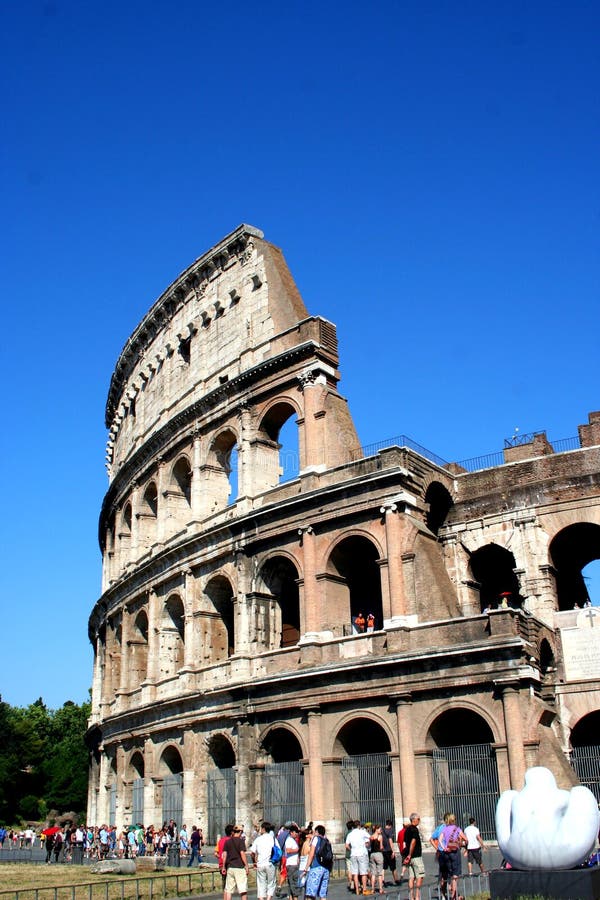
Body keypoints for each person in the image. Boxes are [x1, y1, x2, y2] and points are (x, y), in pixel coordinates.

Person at [439, 814, 467, 900]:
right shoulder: (457, 829)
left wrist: (444, 848)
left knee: (450, 874)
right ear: (454, 820)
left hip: (447, 853)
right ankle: (453, 895)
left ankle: (452, 891)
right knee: (455, 875)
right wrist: (461, 844)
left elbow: (440, 840)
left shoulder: (444, 829)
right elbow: (466, 839)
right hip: (455, 852)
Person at [302, 824, 331, 900]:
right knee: (323, 894)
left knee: (311, 894)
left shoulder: (316, 839)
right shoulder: (327, 840)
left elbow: (311, 854)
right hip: (326, 868)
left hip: (316, 867)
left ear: (317, 832)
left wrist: (306, 868)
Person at [250, 821, 278, 900]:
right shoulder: (272, 839)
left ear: (263, 829)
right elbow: (278, 849)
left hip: (260, 864)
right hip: (270, 863)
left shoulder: (258, 839)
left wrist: (254, 862)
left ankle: (261, 898)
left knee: (261, 884)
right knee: (271, 883)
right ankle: (269, 898)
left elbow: (252, 852)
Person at [222, 825, 249, 900]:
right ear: (240, 832)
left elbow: (224, 855)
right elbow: (242, 854)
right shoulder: (241, 841)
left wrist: (224, 867)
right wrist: (246, 865)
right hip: (239, 867)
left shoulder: (227, 842)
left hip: (230, 867)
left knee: (229, 890)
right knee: (243, 890)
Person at [345, 820, 371, 895]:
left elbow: (346, 845)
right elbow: (370, 837)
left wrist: (352, 849)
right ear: (359, 826)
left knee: (355, 873)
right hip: (362, 853)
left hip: (353, 854)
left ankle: (357, 890)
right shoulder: (362, 832)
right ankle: (364, 889)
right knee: (363, 873)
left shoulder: (350, 834)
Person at [402, 814, 424, 900]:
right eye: (418, 819)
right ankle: (417, 896)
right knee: (420, 876)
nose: (419, 820)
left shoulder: (406, 830)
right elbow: (413, 842)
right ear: (414, 820)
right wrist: (410, 854)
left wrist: (406, 855)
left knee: (411, 877)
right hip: (415, 856)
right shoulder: (414, 830)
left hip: (409, 857)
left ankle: (411, 896)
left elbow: (404, 843)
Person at [282, 824, 301, 900]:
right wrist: (297, 850)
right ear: (291, 832)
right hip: (291, 865)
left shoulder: (292, 840)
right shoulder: (289, 840)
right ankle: (295, 898)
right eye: (295, 832)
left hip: (292, 864)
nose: (296, 834)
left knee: (291, 883)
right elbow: (288, 850)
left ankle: (291, 897)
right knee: (294, 883)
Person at [381, 819, 401, 886]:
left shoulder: (382, 830)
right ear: (390, 825)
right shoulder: (390, 831)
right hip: (389, 850)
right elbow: (390, 841)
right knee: (393, 866)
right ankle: (396, 879)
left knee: (384, 866)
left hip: (383, 850)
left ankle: (382, 879)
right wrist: (393, 851)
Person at [369, 825, 384, 894]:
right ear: (376, 829)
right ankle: (380, 889)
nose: (380, 830)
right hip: (378, 854)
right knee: (380, 873)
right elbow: (381, 847)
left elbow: (369, 845)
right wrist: (382, 847)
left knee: (373, 873)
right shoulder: (380, 837)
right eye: (380, 829)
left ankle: (372, 889)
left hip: (372, 854)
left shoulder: (371, 837)